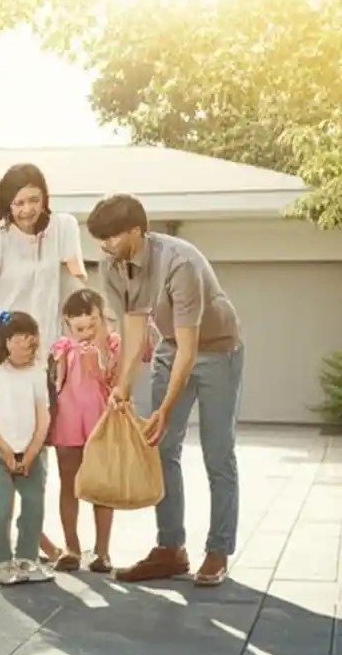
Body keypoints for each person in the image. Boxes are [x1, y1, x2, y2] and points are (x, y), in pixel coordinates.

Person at [87, 193, 243, 587]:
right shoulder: (113, 267)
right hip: (170, 347)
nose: (104, 245)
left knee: (217, 453)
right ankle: (171, 548)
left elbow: (189, 353)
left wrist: (166, 409)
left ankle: (219, 550)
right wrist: (122, 386)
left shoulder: (180, 264)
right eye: (100, 238)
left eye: (111, 237)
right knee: (160, 449)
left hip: (217, 352)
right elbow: (135, 326)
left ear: (136, 231)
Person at [0, 163, 87, 575]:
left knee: (34, 436)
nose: (27, 209)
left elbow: (76, 281)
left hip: (39, 351)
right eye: (18, 202)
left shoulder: (63, 227)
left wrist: (87, 331)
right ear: (6, 203)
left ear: (45, 197)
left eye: (34, 199)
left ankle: (32, 535)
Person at [0, 310, 54, 585]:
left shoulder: (37, 373)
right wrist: (7, 452)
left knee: (34, 503)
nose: (25, 346)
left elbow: (43, 417)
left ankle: (27, 560)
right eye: (18, 339)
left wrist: (31, 453)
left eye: (30, 340)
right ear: (5, 341)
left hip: (31, 452)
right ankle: (1, 562)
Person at [47, 288, 120, 572]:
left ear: (102, 318)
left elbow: (112, 378)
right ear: (68, 322)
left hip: (100, 422)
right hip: (68, 420)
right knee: (69, 484)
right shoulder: (64, 346)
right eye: (80, 327)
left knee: (101, 487)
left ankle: (102, 551)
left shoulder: (112, 344)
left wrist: (99, 351)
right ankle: (72, 548)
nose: (86, 332)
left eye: (92, 325)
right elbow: (56, 383)